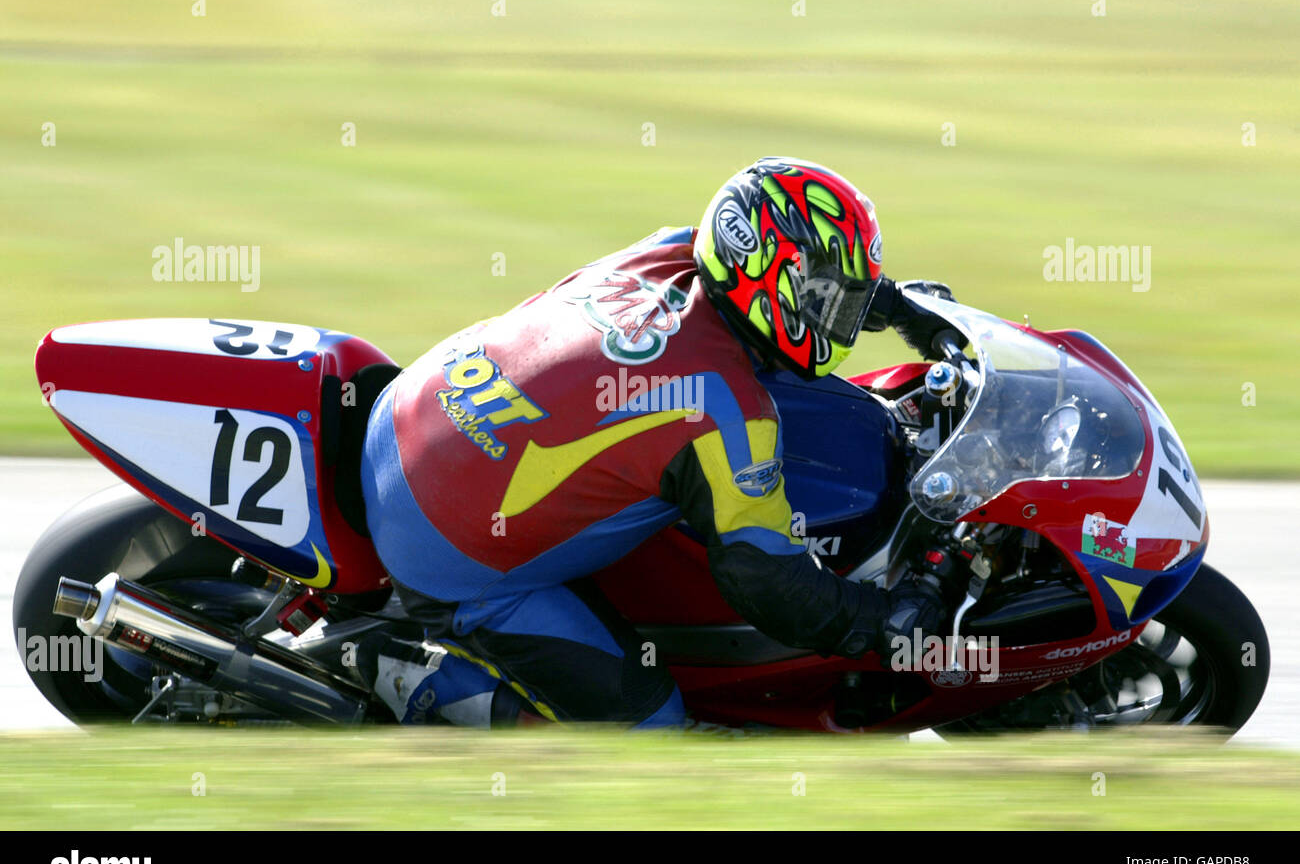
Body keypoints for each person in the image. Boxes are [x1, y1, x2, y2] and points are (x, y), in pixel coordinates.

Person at [357, 156, 950, 727]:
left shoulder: (668, 250)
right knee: (651, 729)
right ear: (771, 277)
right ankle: (407, 676)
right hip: (438, 545)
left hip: (413, 404)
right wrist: (886, 622)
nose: (840, 314)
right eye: (828, 297)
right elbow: (769, 583)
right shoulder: (726, 410)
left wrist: (897, 306)